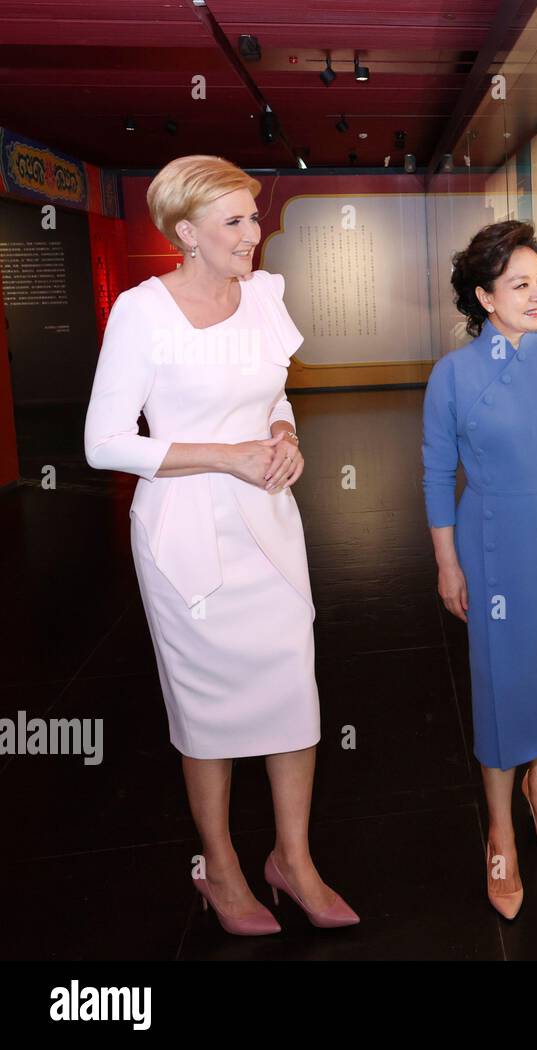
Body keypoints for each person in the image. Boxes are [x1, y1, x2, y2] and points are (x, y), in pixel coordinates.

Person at [83, 154, 357, 936]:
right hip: (186, 532)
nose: (254, 232)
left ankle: (292, 860)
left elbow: (274, 396)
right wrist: (222, 455)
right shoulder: (144, 312)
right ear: (186, 234)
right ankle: (222, 867)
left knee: (292, 690)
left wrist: (281, 434)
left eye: (253, 215)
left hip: (268, 521)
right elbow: (104, 443)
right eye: (234, 221)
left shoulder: (263, 295)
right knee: (206, 707)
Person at [422, 221, 537, 920]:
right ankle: (500, 830)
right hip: (493, 540)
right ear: (484, 296)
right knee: (503, 682)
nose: (536, 295)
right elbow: (438, 474)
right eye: (518, 285)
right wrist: (447, 562)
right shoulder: (454, 376)